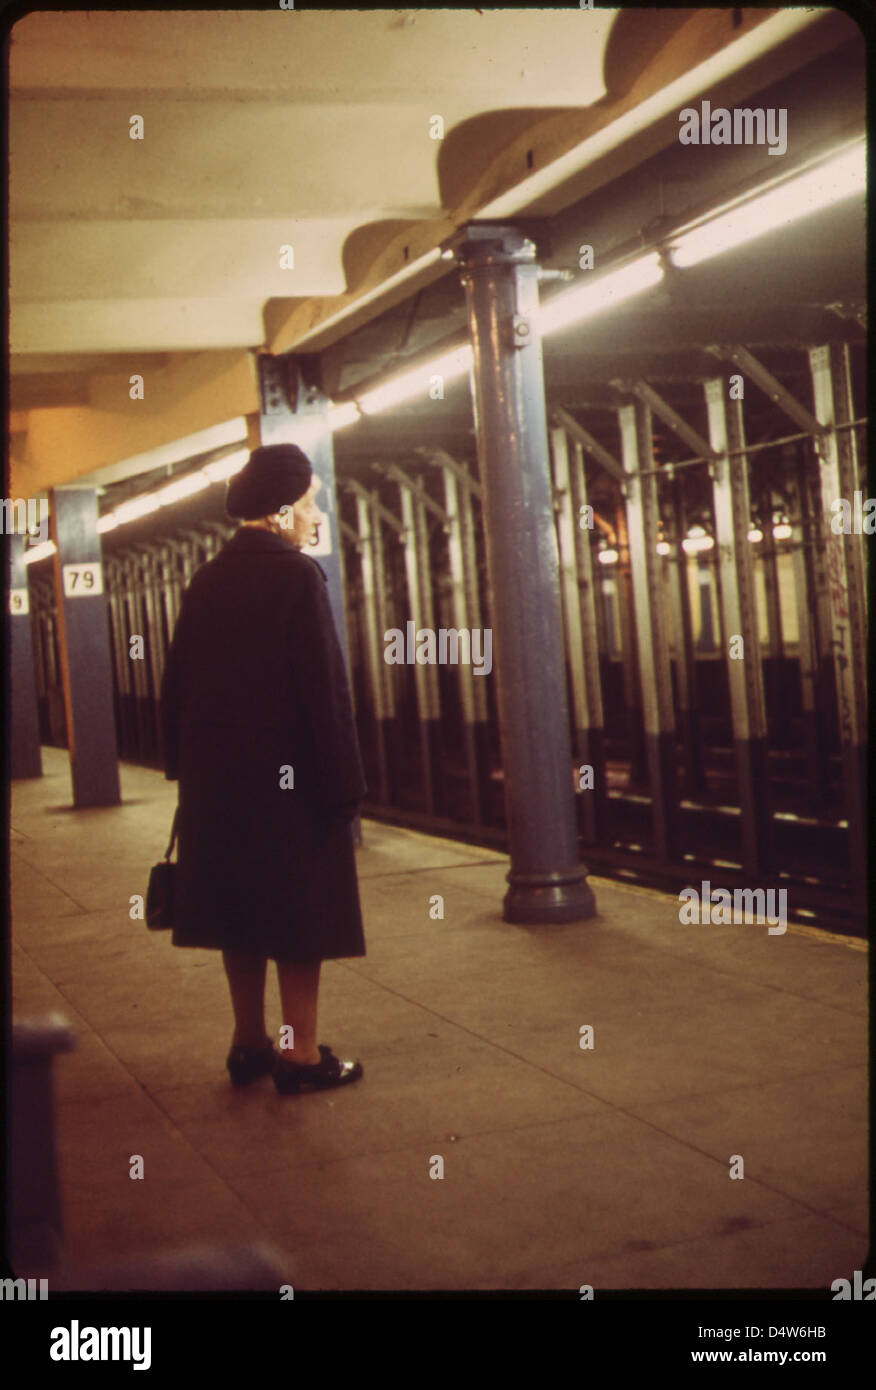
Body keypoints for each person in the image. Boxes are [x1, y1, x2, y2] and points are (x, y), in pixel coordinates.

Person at [159, 442, 367, 1095]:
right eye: (309, 500)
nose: (315, 512)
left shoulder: (206, 578)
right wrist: (342, 785)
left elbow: (176, 688)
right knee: (299, 918)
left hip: (218, 783)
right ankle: (300, 1053)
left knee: (237, 908)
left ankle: (248, 1042)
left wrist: (187, 773)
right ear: (281, 510)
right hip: (292, 784)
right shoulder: (297, 576)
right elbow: (323, 694)